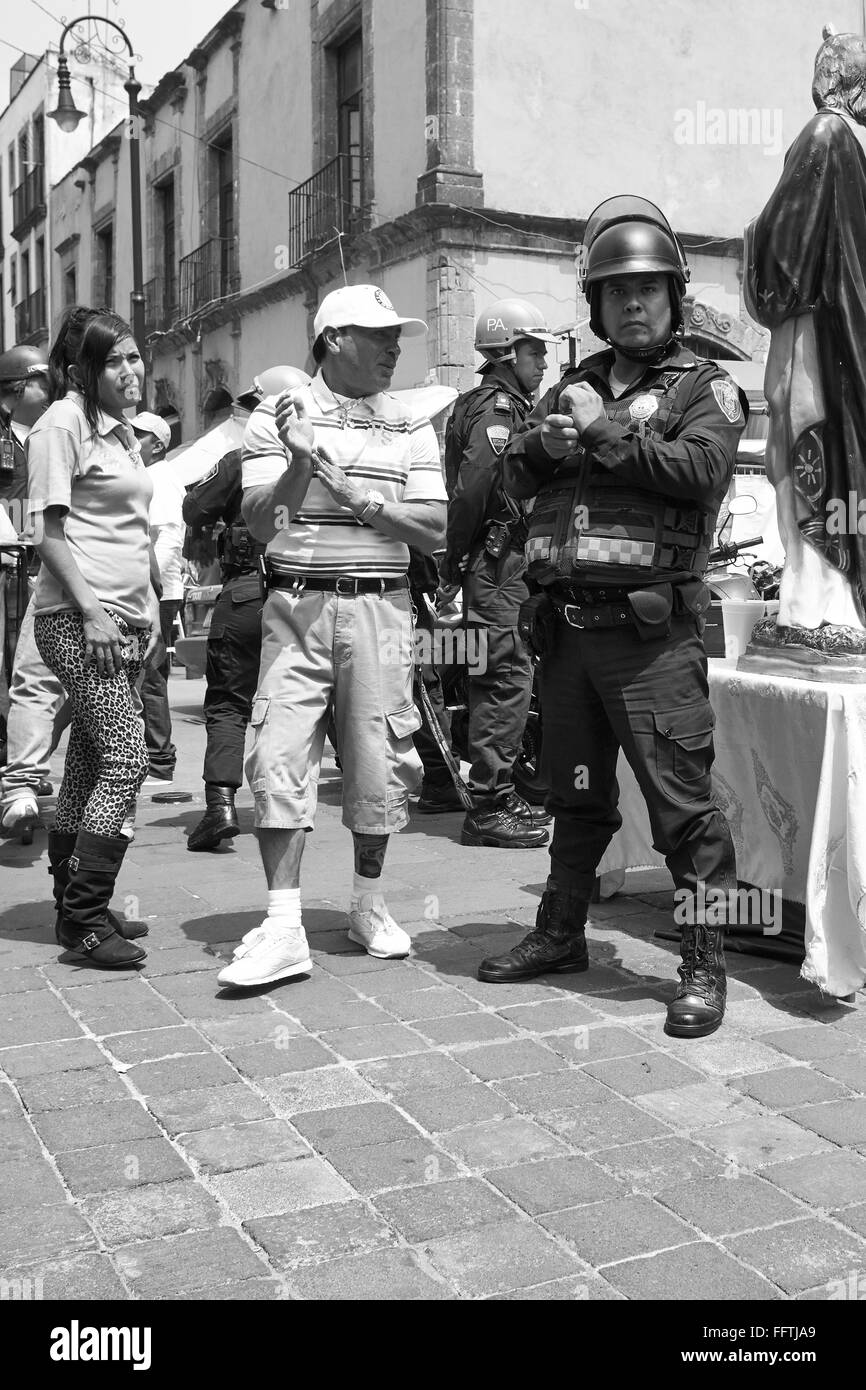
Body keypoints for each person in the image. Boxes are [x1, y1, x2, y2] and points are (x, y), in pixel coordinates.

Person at [477, 197, 747, 1040]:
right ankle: (560, 934)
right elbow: (512, 483)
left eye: (648, 290)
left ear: (674, 296)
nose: (633, 304)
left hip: (650, 641)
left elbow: (700, 472)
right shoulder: (570, 386)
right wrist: (539, 449)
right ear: (596, 303)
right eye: (617, 291)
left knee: (684, 808)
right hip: (566, 635)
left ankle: (704, 962)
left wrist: (599, 438)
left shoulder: (708, 387)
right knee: (578, 798)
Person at [218, 283, 446, 989]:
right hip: (297, 607)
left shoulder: (411, 422)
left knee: (379, 761)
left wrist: (356, 496)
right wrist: (297, 461)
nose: (394, 347)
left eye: (395, 336)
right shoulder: (276, 419)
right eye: (380, 335)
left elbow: (434, 531)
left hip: (382, 609)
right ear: (333, 340)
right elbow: (264, 526)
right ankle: (284, 924)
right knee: (278, 752)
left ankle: (367, 904)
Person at [27, 308, 159, 968]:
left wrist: (148, 609)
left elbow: (128, 533)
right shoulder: (63, 425)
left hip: (124, 623)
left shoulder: (120, 431)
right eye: (115, 362)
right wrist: (96, 613)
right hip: (81, 624)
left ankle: (72, 903)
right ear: (82, 371)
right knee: (129, 756)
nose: (131, 371)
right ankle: (83, 920)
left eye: (135, 357)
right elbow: (46, 533)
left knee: (86, 764)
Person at [437, 298, 556, 844]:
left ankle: (500, 790)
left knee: (508, 672)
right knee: (505, 675)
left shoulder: (494, 404)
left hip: (506, 559)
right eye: (535, 350)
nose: (545, 362)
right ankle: (488, 803)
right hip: (498, 559)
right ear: (508, 352)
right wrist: (456, 556)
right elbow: (471, 492)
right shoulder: (496, 412)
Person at [183, 366, 311, 851]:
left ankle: (219, 808)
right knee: (301, 703)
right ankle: (288, 804)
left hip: (246, 594)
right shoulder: (328, 456)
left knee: (229, 703)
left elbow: (193, 508)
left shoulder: (240, 459)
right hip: (304, 597)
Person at [0, 345, 55, 838]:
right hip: (10, 562)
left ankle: (23, 768)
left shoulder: (43, 432)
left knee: (25, 668)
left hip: (34, 563)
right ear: (20, 386)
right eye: (43, 379)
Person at [132, 411, 183, 787]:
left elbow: (166, 540)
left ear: (158, 444)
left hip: (155, 593)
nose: (131, 439)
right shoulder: (144, 474)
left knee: (149, 673)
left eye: (140, 435)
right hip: (143, 588)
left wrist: (145, 587)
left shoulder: (160, 477)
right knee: (142, 671)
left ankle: (159, 759)